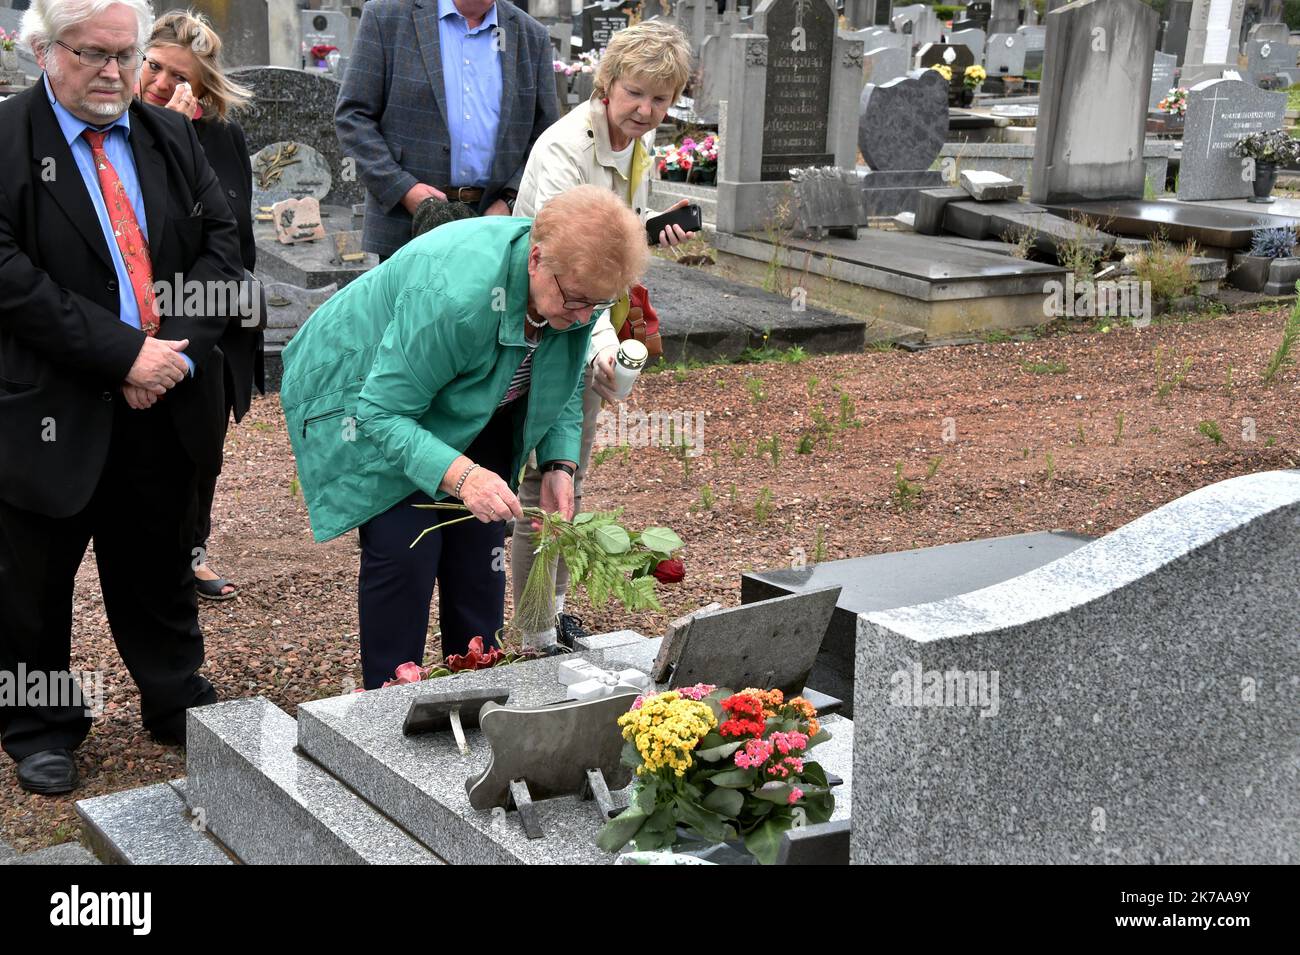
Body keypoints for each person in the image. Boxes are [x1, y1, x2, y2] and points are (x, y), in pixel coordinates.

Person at [0, 0, 244, 794]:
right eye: (93, 54)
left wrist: (168, 351)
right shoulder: (8, 141)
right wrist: (121, 356)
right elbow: (10, 279)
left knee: (159, 557)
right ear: (45, 52)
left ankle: (175, 696)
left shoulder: (168, 135)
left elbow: (222, 245)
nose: (114, 72)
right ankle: (40, 722)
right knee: (31, 581)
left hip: (163, 393)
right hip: (51, 404)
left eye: (126, 54)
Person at [280, 186, 648, 690]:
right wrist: (462, 475)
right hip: (375, 391)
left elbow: (561, 376)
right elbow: (382, 411)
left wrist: (560, 466)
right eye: (577, 302)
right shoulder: (458, 297)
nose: (584, 318)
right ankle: (388, 710)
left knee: (479, 563)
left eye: (597, 307)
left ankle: (477, 697)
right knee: (405, 554)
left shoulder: (572, 288)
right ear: (536, 259)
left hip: (476, 399)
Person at [510, 20, 693, 648]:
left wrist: (650, 232)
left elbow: (618, 240)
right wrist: (605, 348)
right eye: (636, 93)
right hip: (547, 320)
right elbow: (569, 261)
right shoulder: (567, 148)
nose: (646, 110)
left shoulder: (634, 149)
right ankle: (529, 633)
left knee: (570, 477)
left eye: (661, 99)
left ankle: (552, 609)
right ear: (607, 83)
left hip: (593, 321)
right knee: (540, 479)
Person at [138, 8, 261, 601]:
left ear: (201, 87)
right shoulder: (119, 133)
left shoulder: (222, 137)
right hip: (140, 314)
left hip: (204, 311)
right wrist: (169, 135)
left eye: (178, 77)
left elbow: (232, 231)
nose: (161, 84)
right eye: (154, 67)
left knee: (201, 450)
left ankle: (193, 550)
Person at [334, 0, 560, 260]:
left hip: (494, 231)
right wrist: (404, 190)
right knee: (409, 302)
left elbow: (545, 138)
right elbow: (353, 115)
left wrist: (510, 200)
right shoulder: (387, 17)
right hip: (407, 225)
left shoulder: (531, 36)